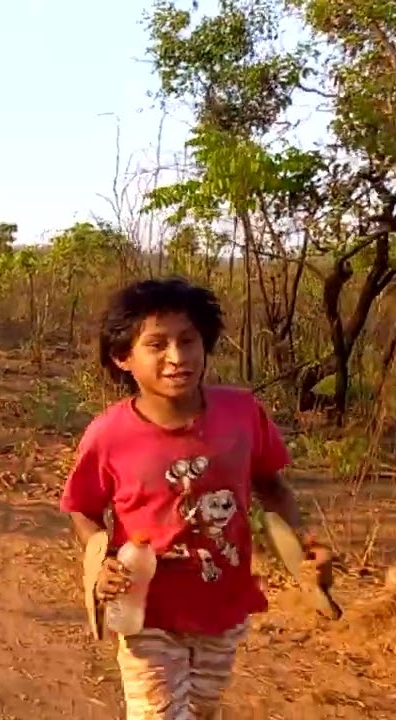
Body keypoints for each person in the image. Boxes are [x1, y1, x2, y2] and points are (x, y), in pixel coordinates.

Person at [60, 277, 332, 720]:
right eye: (157, 344)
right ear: (122, 357)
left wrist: (303, 548)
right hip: (145, 609)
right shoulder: (109, 435)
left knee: (202, 709)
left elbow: (273, 487)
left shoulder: (242, 413)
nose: (177, 357)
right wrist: (102, 562)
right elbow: (82, 509)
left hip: (224, 606)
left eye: (188, 340)